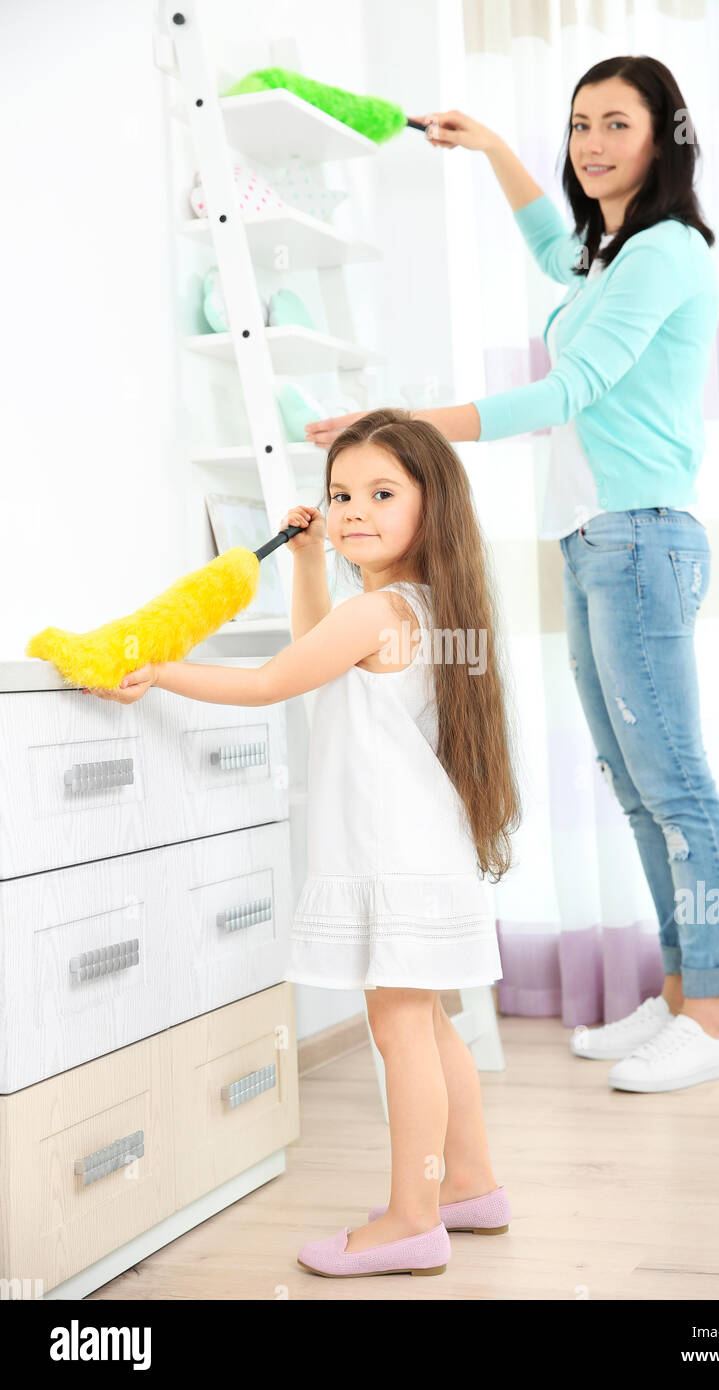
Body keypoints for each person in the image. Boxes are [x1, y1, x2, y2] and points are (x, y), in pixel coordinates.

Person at [308, 56, 719, 1095]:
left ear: (663, 137)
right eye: (578, 124)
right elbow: (557, 250)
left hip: (639, 537)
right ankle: (680, 992)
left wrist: (402, 425)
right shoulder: (610, 254)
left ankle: (710, 1020)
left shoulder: (666, 252)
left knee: (674, 786)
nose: (592, 143)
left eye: (616, 124)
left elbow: (568, 391)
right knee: (637, 791)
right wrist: (496, 151)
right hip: (598, 541)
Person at [83, 409, 521, 1279]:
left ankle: (411, 1218)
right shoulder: (420, 606)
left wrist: (161, 668)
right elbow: (316, 647)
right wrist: (313, 561)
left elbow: (276, 680)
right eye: (341, 493)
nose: (354, 508)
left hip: (393, 861)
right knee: (430, 1022)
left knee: (399, 1027)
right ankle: (467, 1184)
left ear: (434, 506)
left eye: (381, 493)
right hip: (424, 860)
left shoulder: (385, 610)